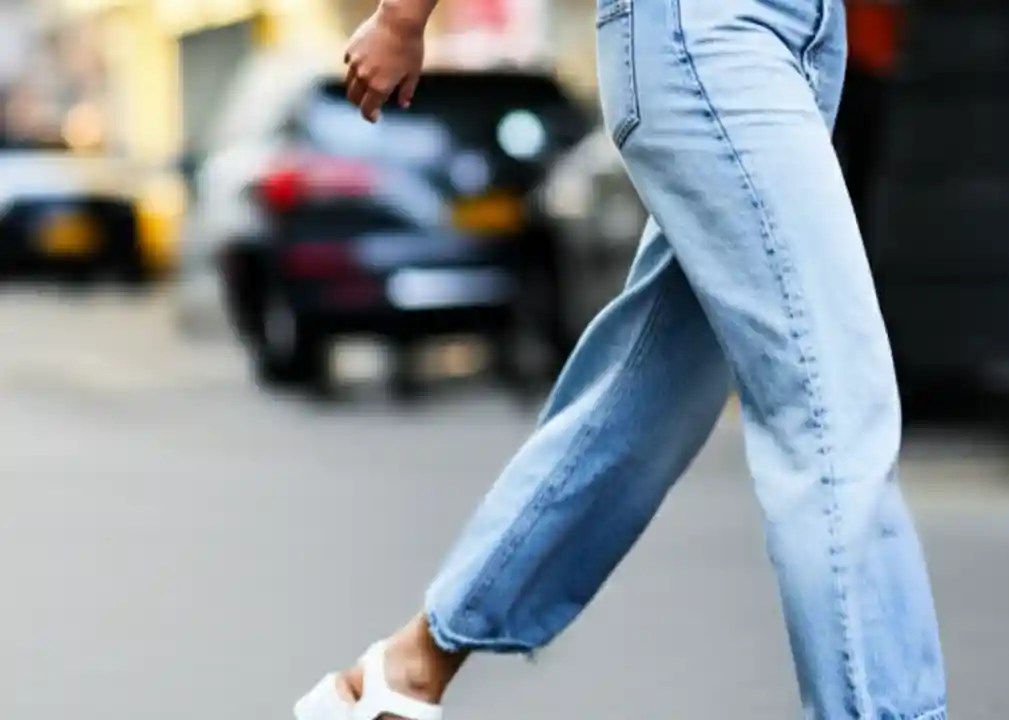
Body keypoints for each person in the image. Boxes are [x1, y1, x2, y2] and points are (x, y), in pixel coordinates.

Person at [295, 0, 947, 718]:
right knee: (830, 404)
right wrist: (401, 17)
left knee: (651, 389)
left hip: (796, 33)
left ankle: (410, 667)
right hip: (710, 32)